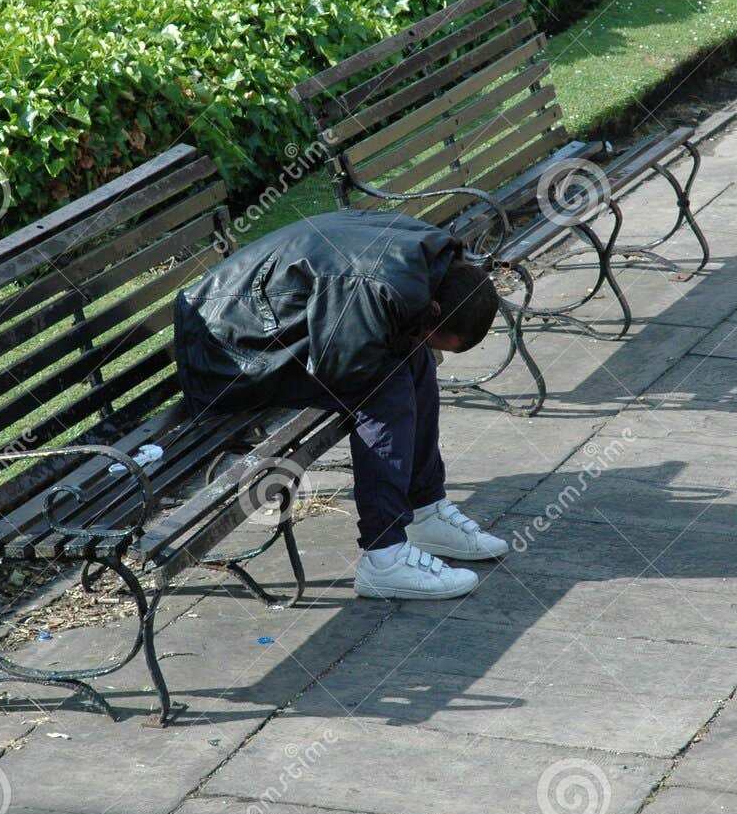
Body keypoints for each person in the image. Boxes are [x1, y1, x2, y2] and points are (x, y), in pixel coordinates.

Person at [172, 210, 509, 599]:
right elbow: (346, 372)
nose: (427, 340)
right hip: (227, 353)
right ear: (434, 309)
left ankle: (425, 509)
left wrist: (412, 344)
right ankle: (384, 556)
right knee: (384, 386)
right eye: (436, 336)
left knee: (413, 357)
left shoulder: (431, 262)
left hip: (261, 324)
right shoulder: (377, 286)